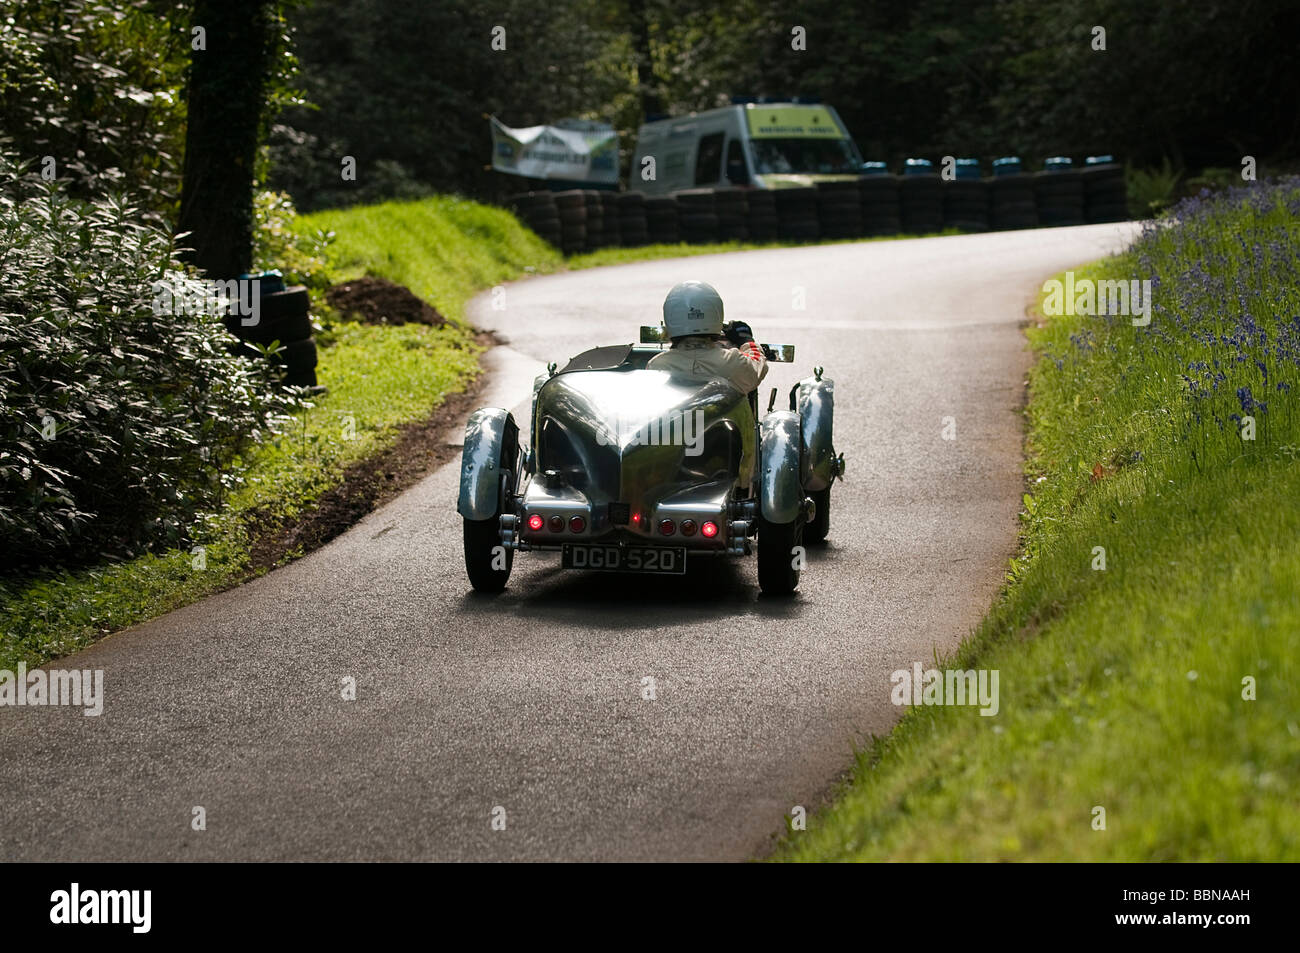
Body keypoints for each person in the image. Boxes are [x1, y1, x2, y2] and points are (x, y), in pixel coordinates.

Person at [647, 280, 767, 393]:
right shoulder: (732, 362)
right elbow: (757, 364)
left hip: (676, 415)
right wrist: (746, 339)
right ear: (716, 314)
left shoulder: (657, 365)